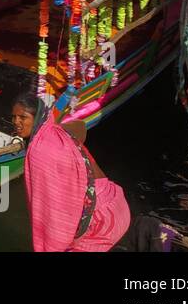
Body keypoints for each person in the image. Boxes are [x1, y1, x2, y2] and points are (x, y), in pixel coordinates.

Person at [11, 93, 130, 252]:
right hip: (116, 204)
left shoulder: (39, 151)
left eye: (22, 117)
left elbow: (52, 214)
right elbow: (81, 127)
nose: (16, 122)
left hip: (100, 225)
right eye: (14, 117)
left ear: (36, 117)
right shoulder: (56, 130)